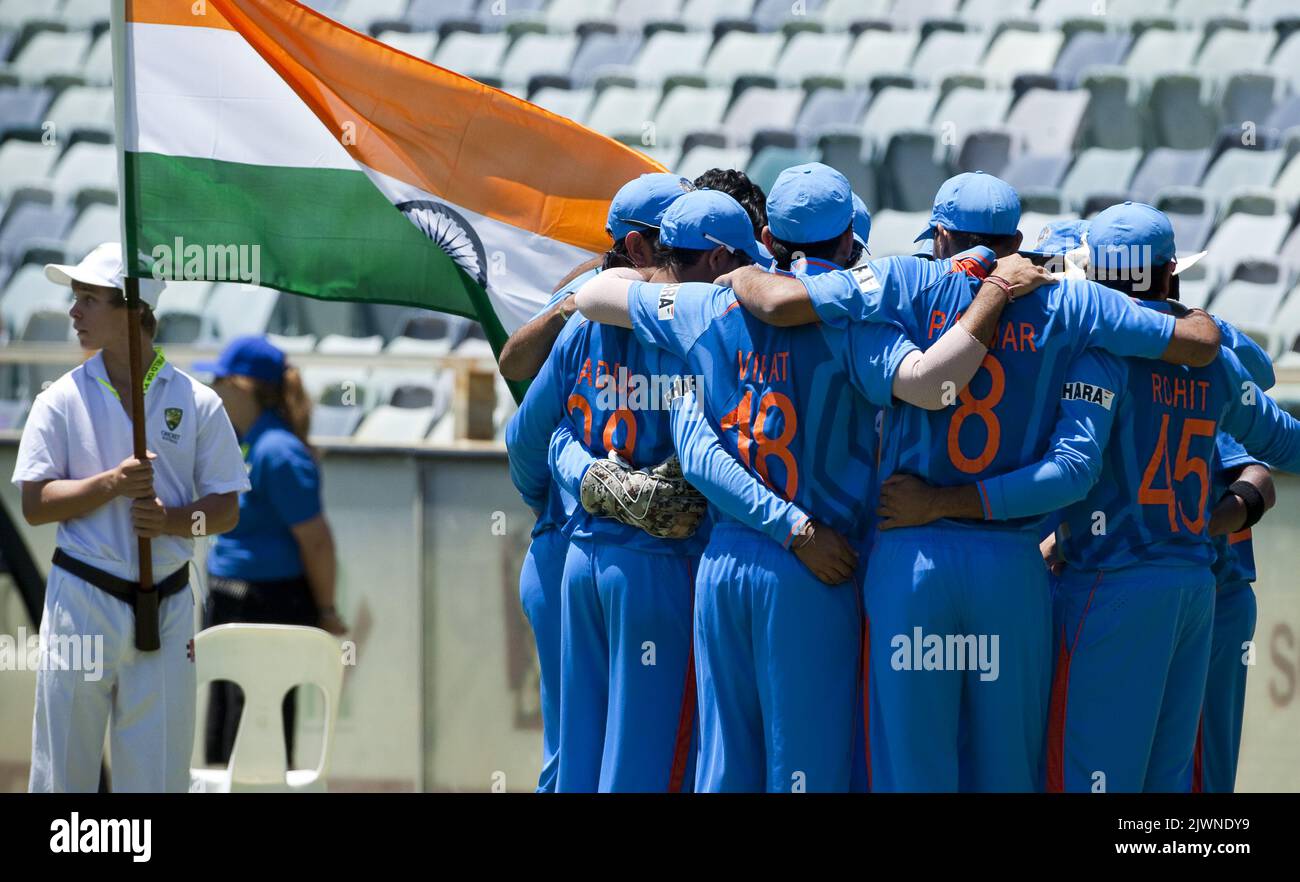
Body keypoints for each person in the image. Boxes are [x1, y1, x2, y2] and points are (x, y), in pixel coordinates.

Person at [721, 174, 1225, 791]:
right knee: (1007, 773)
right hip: (1010, 567)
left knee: (912, 772)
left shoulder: (905, 279)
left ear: (941, 235)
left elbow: (783, 301)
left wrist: (740, 274)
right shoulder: (1072, 300)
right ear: (1014, 238)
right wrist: (1175, 290)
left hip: (911, 560)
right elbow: (1199, 343)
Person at [573, 166, 1050, 790]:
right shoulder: (853, 323)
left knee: (724, 770)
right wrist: (995, 296)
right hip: (815, 565)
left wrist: (723, 277)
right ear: (851, 242)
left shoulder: (705, 304)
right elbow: (935, 385)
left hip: (724, 564)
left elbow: (592, 294)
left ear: (768, 236)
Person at [507, 188, 761, 792]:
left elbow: (527, 443)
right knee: (643, 764)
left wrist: (583, 486)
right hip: (655, 567)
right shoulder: (693, 327)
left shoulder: (580, 319)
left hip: (575, 556)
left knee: (573, 760)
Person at [15, 243, 249, 792]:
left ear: (133, 309)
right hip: (81, 596)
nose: (74, 312)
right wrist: (109, 485)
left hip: (166, 605)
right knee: (63, 774)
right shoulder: (58, 400)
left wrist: (171, 522)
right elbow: (34, 504)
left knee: (158, 778)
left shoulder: (199, 402)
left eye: (89, 299)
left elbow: (225, 510)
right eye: (76, 299)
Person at [194, 335, 345, 769]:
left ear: (242, 386)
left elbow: (315, 539)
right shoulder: (248, 442)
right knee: (225, 728)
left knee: (258, 735)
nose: (214, 390)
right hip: (233, 602)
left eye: (219, 380)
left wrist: (327, 610)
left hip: (266, 606)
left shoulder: (277, 450)